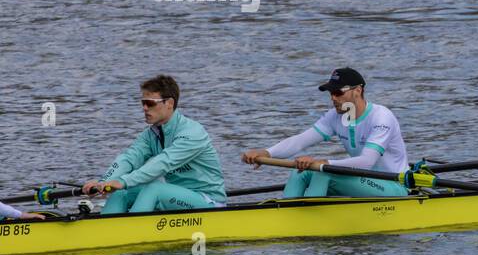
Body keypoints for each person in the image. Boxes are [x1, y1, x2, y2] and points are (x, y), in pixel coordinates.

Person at [241, 68, 409, 198]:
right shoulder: (336, 116)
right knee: (301, 172)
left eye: (338, 92)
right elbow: (299, 141)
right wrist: (266, 153)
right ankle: (287, 214)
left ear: (358, 90)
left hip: (393, 185)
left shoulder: (381, 117)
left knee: (322, 172)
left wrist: (322, 162)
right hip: (362, 179)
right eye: (331, 93)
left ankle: (305, 224)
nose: (333, 98)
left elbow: (366, 161)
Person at [82, 75, 226, 213]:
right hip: (176, 197)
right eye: (142, 103)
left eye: (150, 103)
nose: (144, 108)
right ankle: (106, 229)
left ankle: (129, 232)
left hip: (208, 202)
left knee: (153, 188)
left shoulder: (192, 132)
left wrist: (123, 181)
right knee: (121, 192)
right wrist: (104, 182)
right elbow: (129, 158)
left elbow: (162, 163)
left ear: (169, 103)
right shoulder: (151, 134)